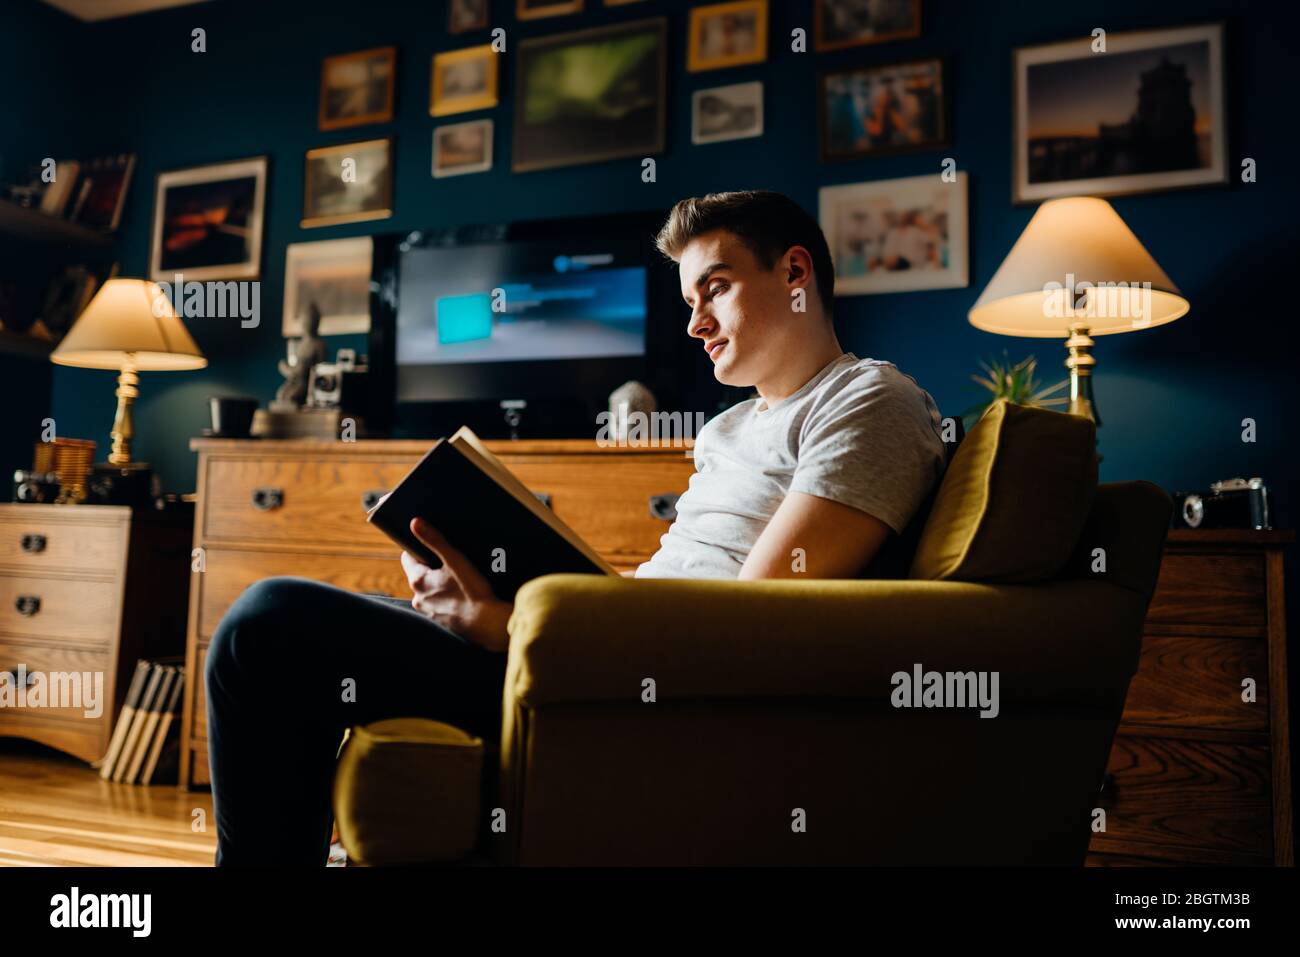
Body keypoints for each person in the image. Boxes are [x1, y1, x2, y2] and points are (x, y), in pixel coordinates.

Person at [205, 189, 946, 865]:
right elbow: (674, 589)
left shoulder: (867, 398)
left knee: (267, 625)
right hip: (602, 651)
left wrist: (515, 628)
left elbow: (753, 627)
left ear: (794, 272)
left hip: (639, 697)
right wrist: (505, 601)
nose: (695, 323)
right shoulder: (725, 430)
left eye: (715, 287)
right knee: (306, 629)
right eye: (689, 299)